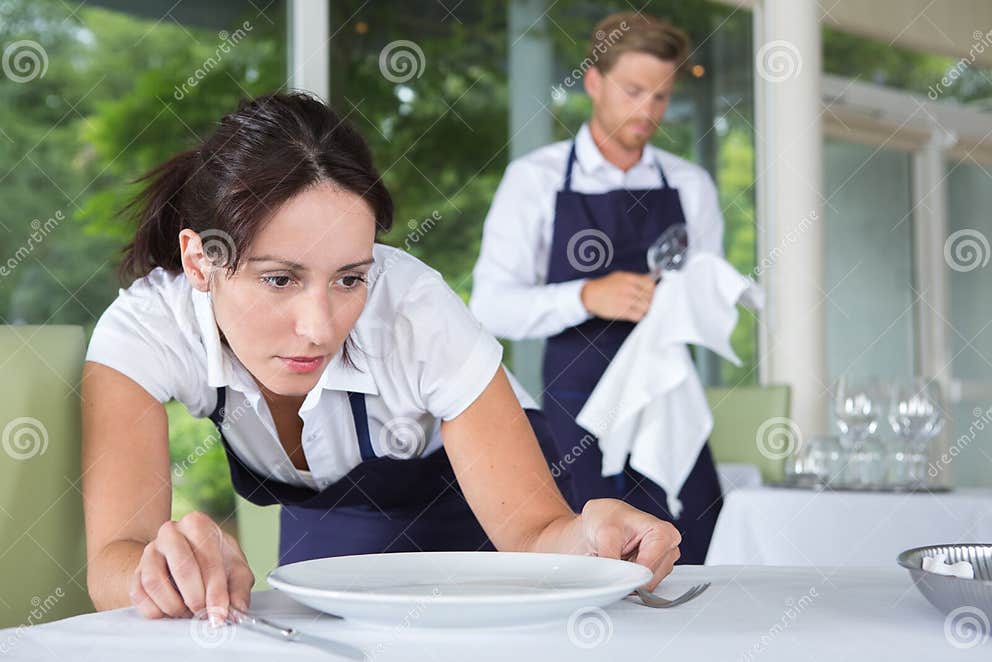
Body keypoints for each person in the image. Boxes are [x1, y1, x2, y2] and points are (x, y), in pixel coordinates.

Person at [81, 91, 681, 624]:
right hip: (337, 522)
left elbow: (535, 535)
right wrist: (165, 567)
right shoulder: (148, 329)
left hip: (486, 520)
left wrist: (591, 542)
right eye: (279, 280)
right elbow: (114, 557)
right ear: (198, 261)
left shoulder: (415, 311)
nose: (319, 329)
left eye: (349, 279)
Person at [470, 12, 725, 564]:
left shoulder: (690, 185)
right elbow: (489, 306)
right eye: (634, 91)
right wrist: (584, 296)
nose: (647, 111)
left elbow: (708, 301)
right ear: (593, 82)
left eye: (661, 96)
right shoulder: (534, 180)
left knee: (696, 547)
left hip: (667, 408)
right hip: (574, 416)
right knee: (586, 560)